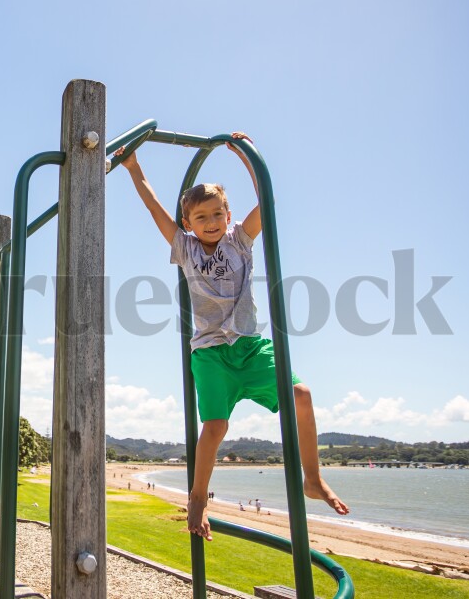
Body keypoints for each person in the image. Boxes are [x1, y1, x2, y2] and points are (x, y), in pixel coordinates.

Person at [115, 134, 349, 543]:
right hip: (210, 354)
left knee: (303, 395)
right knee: (215, 426)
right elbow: (154, 207)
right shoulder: (185, 248)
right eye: (201, 217)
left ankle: (312, 477)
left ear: (227, 214)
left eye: (216, 214)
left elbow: (268, 204)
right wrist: (135, 168)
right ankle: (197, 498)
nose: (210, 222)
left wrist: (246, 157)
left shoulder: (240, 240)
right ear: (189, 223)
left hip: (249, 346)